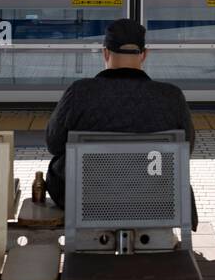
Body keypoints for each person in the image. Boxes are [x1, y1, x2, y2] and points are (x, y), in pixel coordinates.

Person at [44, 18, 197, 227]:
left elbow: (53, 144)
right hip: (156, 200)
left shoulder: (80, 92)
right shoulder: (171, 96)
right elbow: (185, 151)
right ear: (144, 54)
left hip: (86, 198)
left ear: (105, 53)